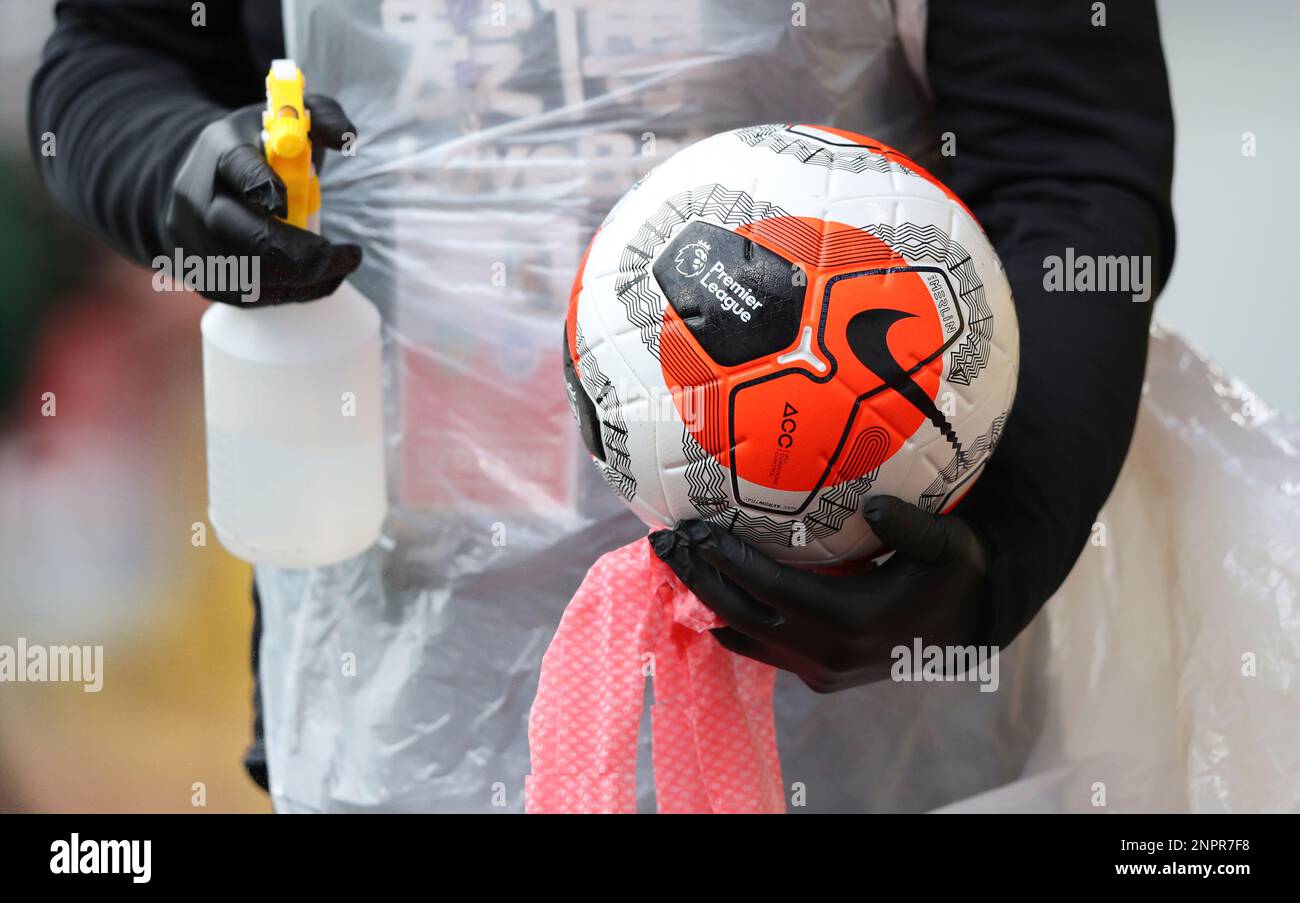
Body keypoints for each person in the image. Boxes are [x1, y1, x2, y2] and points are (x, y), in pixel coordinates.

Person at [30, 0, 1174, 812]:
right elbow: (112, 50)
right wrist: (166, 165)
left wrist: (999, 550)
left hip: (852, 672)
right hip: (395, 676)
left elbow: (1065, 151)